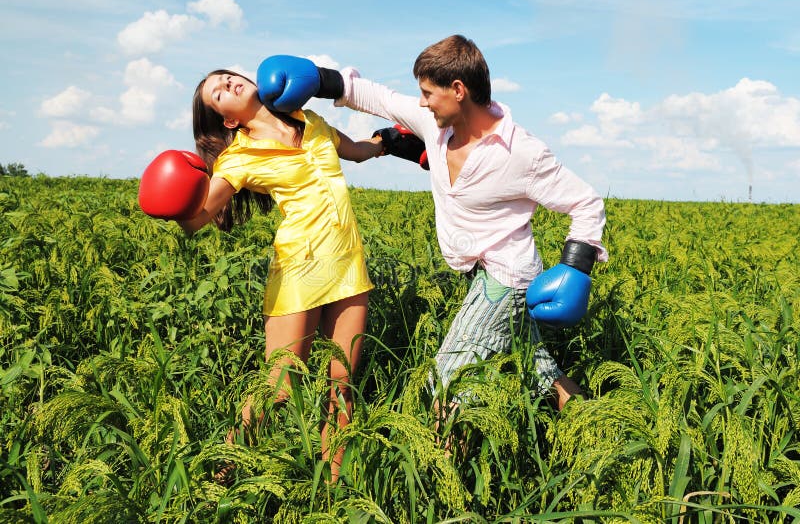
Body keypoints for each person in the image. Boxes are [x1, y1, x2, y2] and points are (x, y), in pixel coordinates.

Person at [257, 34, 608, 425]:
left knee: (445, 385)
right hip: (479, 271)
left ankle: (441, 476)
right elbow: (378, 98)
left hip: (506, 278)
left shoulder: (522, 153)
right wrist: (321, 80)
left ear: (458, 90)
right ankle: (596, 423)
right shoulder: (436, 125)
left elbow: (586, 202)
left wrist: (577, 267)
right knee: (541, 371)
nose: (421, 102)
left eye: (428, 93)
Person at [181, 68, 383, 482]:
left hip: (347, 262)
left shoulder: (311, 121)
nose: (227, 85)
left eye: (227, 78)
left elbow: (358, 151)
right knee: (278, 388)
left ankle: (333, 491)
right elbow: (198, 217)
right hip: (298, 269)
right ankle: (217, 481)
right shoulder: (238, 157)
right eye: (218, 94)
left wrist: (390, 142)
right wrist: (171, 202)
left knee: (341, 385)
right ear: (228, 120)